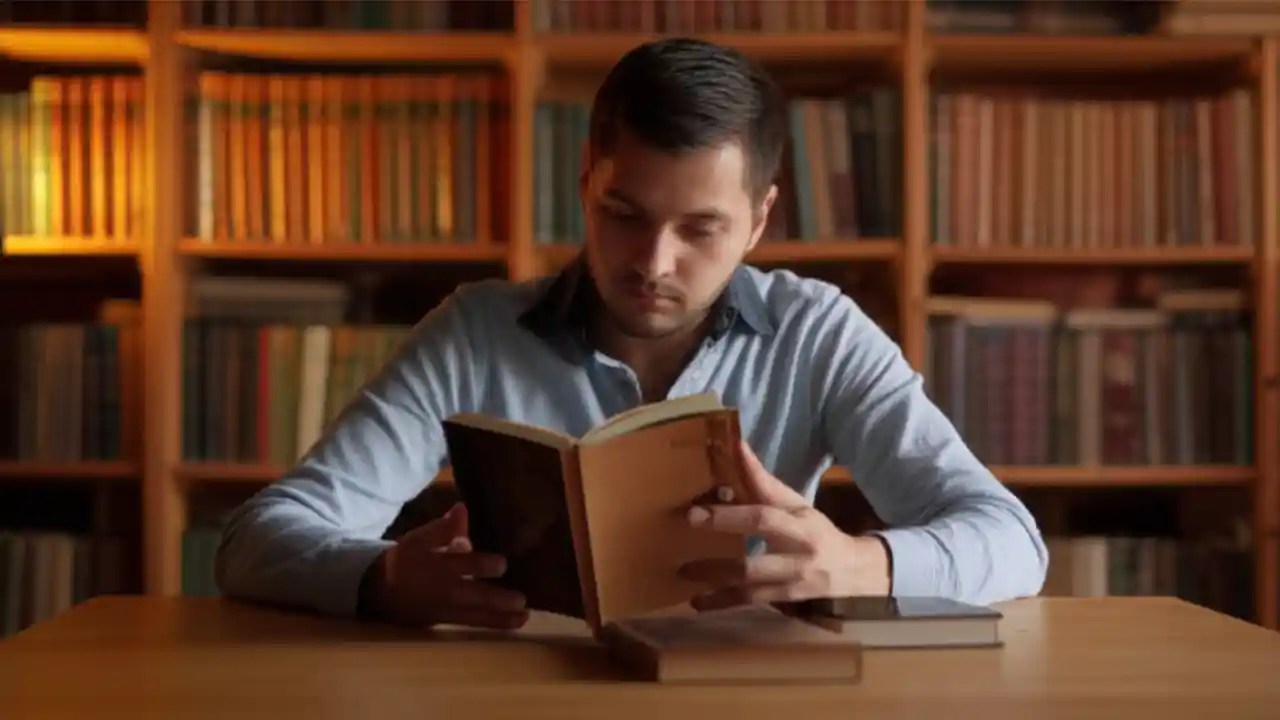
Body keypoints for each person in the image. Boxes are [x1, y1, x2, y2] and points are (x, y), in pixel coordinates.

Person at [213, 37, 1047, 630]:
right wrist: (382, 578)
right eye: (623, 214)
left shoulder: (818, 331)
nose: (654, 261)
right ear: (585, 186)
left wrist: (866, 566)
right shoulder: (474, 331)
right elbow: (259, 538)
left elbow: (1012, 541)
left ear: (760, 220)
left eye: (701, 229)